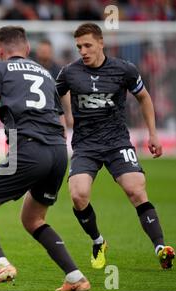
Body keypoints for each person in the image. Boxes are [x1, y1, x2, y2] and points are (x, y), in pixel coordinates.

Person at [0, 26, 90, 291]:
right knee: (33, 219)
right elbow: (60, 117)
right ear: (26, 49)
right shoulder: (46, 74)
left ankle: (0, 264)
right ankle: (76, 277)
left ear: (0, 50)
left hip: (27, 150)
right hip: (59, 152)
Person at [55, 22, 174, 270]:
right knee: (78, 195)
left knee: (136, 190)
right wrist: (59, 121)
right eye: (79, 47)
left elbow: (144, 97)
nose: (83, 51)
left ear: (101, 43)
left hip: (117, 141)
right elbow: (52, 97)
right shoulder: (69, 73)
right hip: (85, 145)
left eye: (88, 45)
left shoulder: (124, 70)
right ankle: (98, 241)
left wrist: (153, 134)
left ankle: (161, 248)